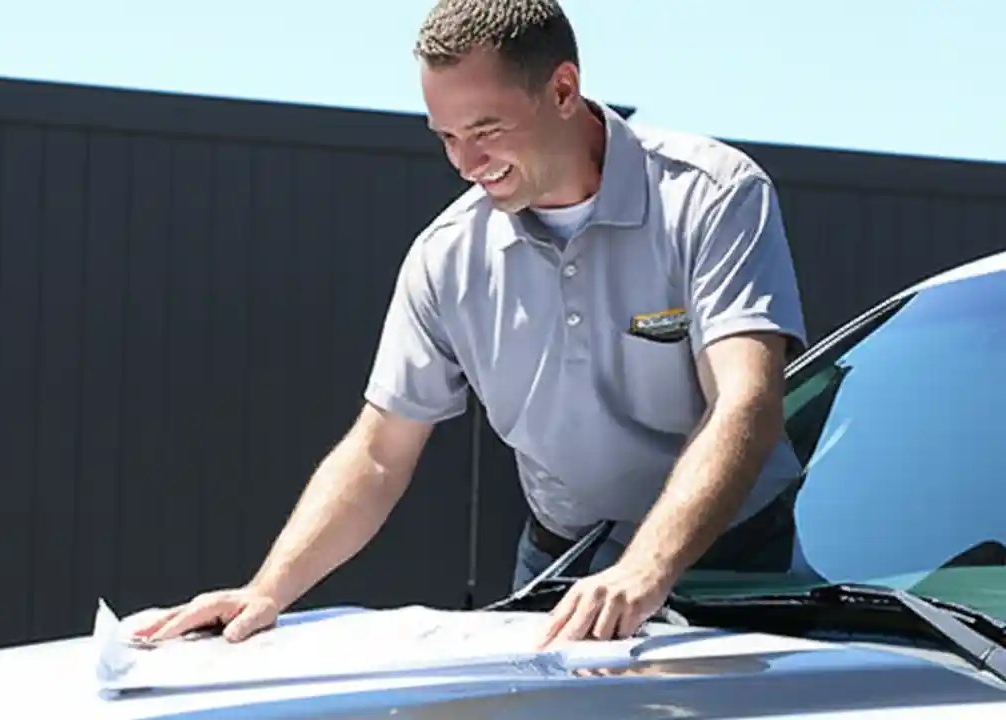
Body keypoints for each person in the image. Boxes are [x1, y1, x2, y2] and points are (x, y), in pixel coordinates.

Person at [135, 0, 807, 650]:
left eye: (485, 130)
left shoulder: (712, 195)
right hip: (561, 568)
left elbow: (745, 400)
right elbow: (377, 453)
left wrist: (645, 568)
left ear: (564, 90)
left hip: (741, 564)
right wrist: (268, 590)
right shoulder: (446, 258)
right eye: (447, 137)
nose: (465, 162)